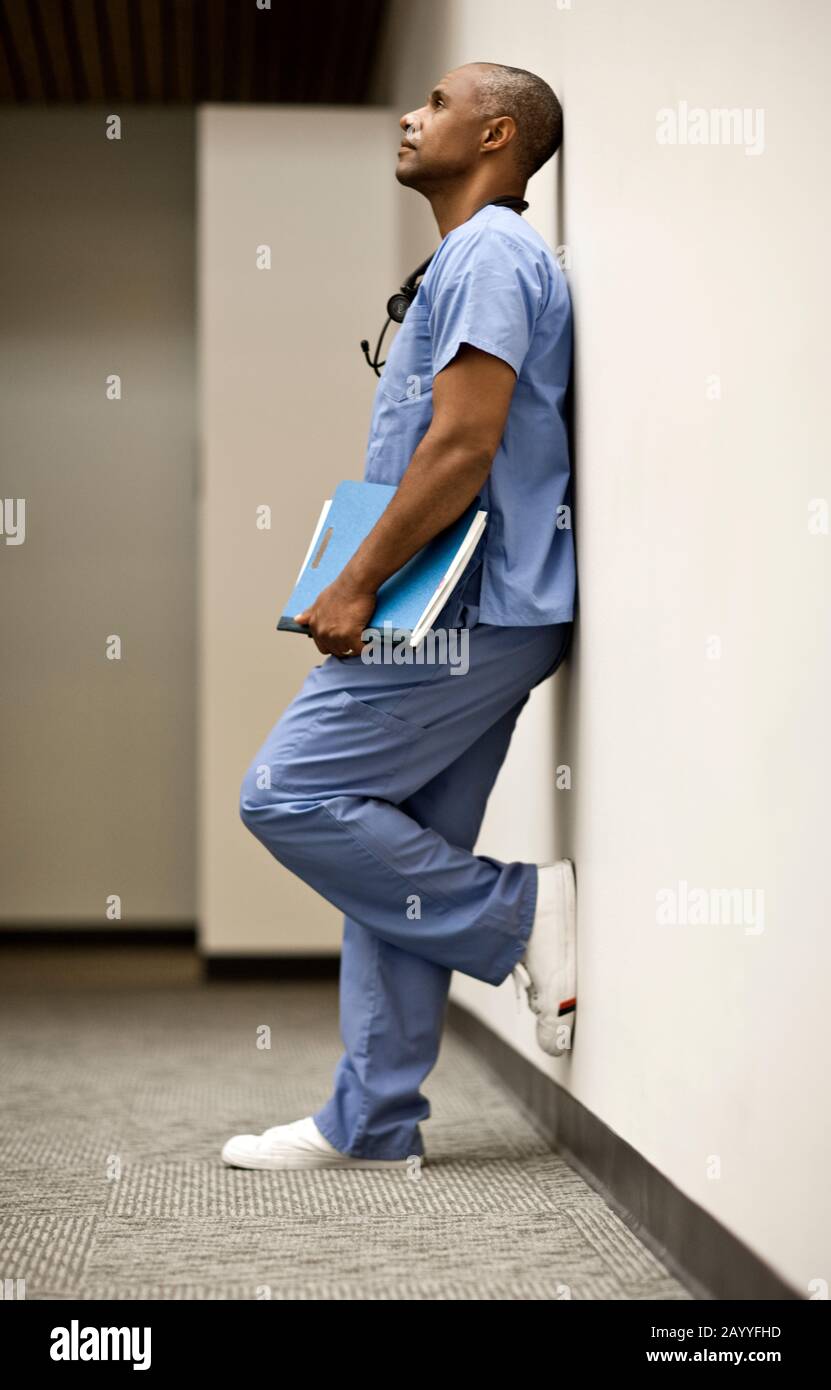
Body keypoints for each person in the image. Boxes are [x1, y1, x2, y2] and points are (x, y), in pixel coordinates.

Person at [223, 62, 577, 1172]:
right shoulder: (472, 259)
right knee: (399, 854)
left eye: (435, 102)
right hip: (479, 610)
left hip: (461, 610)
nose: (409, 116)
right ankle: (375, 1123)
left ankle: (519, 914)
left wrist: (358, 581)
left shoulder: (491, 253)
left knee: (289, 792)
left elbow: (463, 445)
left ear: (497, 133)